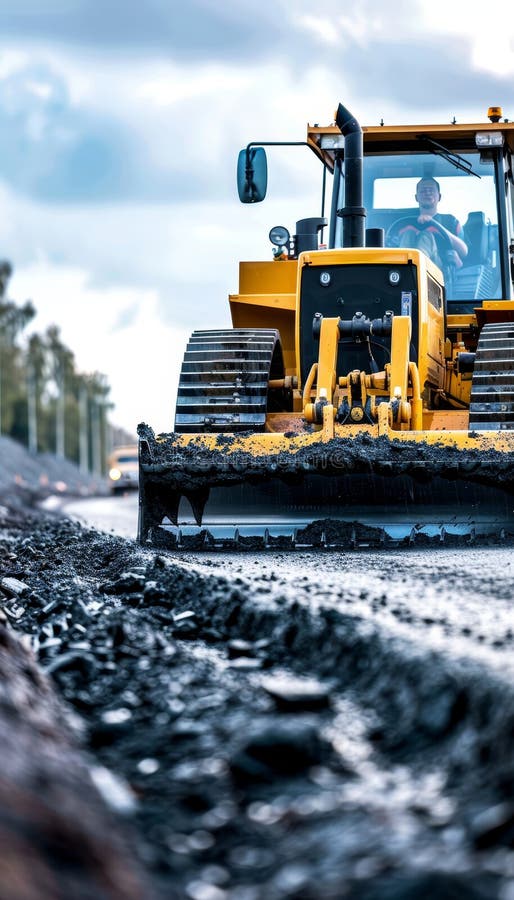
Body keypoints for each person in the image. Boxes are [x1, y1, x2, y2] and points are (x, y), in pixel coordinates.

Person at [396, 177, 468, 270]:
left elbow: (464, 251)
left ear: (439, 196)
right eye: (423, 191)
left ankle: (417, 270)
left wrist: (435, 224)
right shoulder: (404, 223)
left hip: (438, 272)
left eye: (431, 190)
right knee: (408, 234)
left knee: (426, 236)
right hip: (403, 268)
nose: (427, 193)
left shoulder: (451, 221)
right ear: (416, 197)